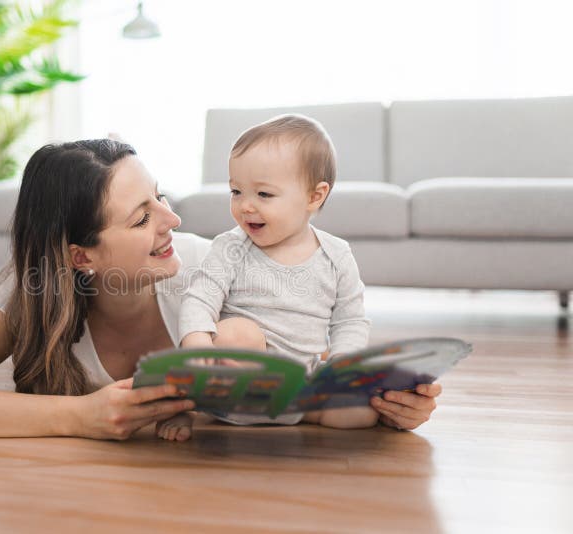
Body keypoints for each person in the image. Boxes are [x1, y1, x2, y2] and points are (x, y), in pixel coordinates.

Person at [0, 138, 442, 442]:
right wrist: (81, 417)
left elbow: (308, 374)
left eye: (161, 198)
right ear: (80, 256)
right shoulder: (31, 287)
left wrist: (385, 403)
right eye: (141, 217)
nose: (171, 221)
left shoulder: (212, 267)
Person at [160, 115, 433, 439]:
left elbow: (350, 321)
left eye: (263, 194)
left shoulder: (336, 255)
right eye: (236, 191)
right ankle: (185, 406)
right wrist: (197, 341)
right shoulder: (231, 247)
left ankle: (298, 411)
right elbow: (200, 297)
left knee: (357, 412)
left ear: (314, 197)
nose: (245, 205)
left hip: (299, 382)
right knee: (236, 335)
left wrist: (342, 367)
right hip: (238, 380)